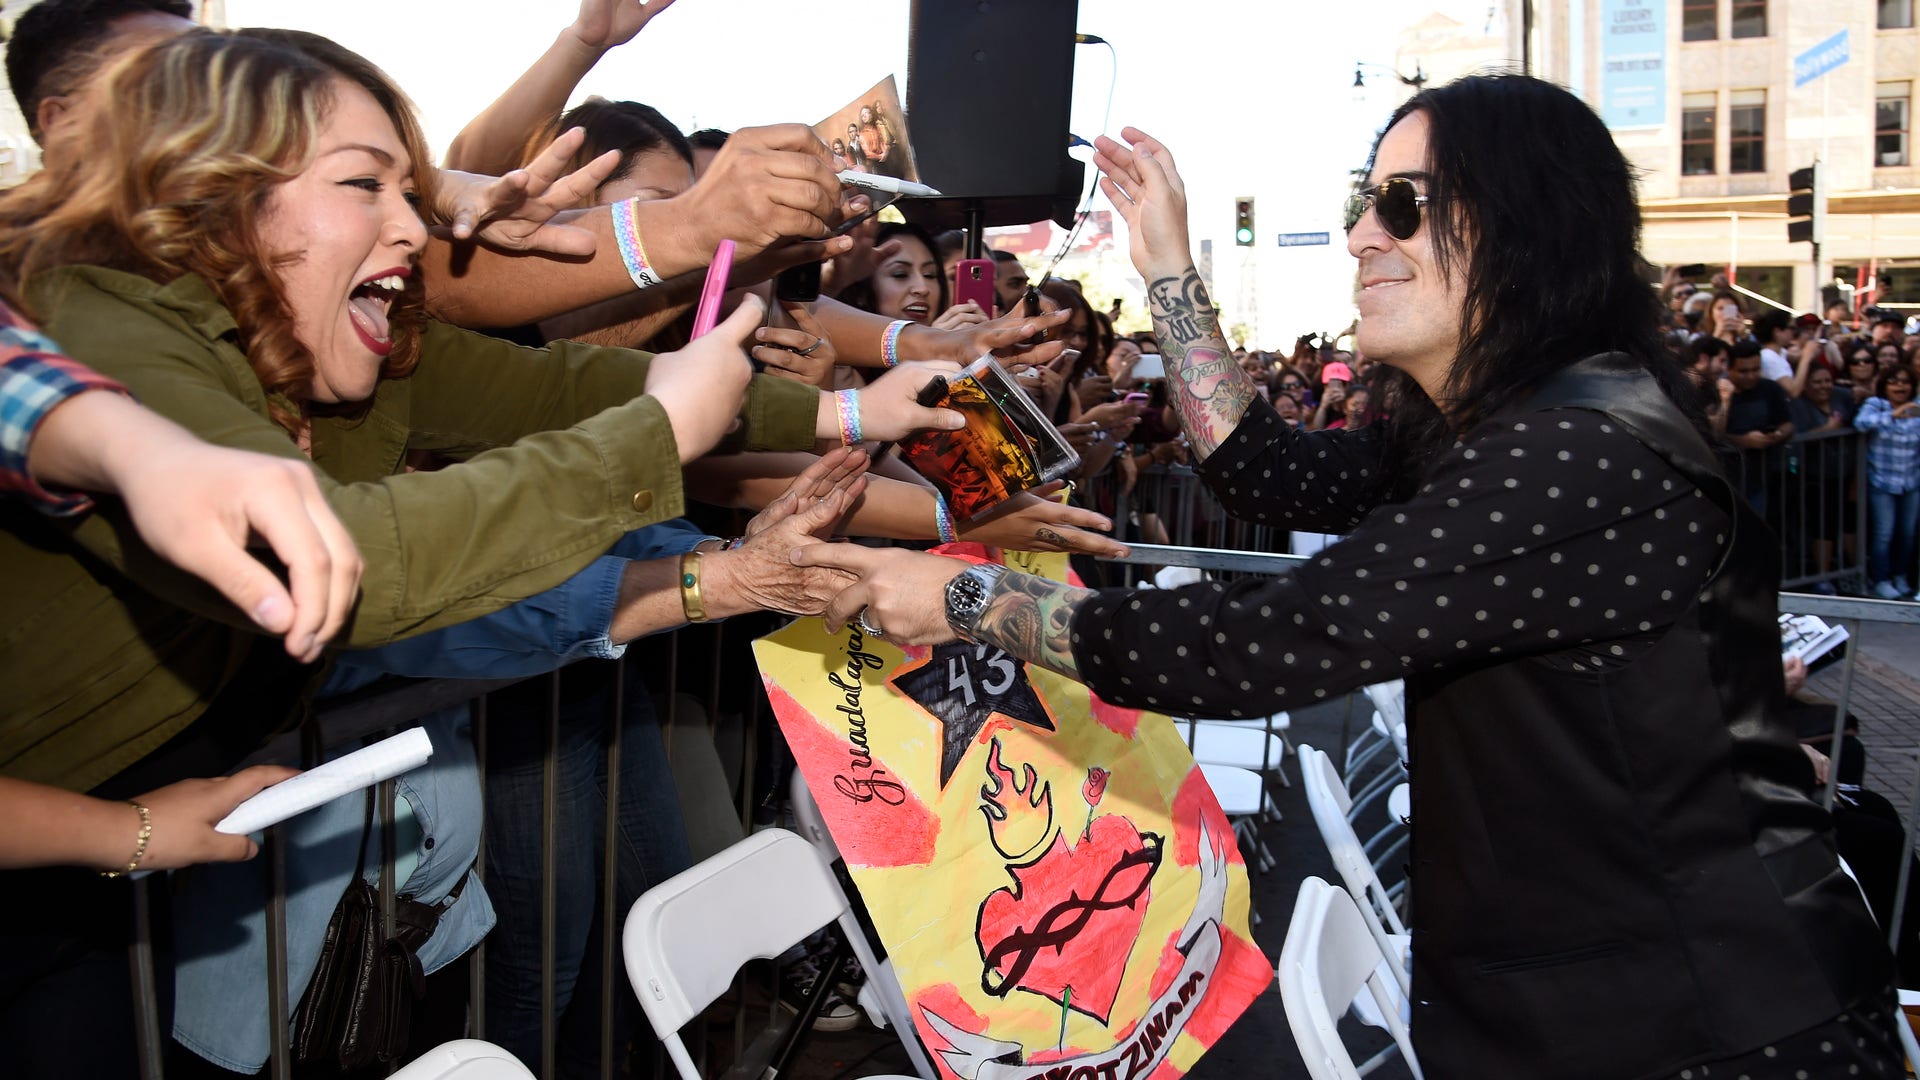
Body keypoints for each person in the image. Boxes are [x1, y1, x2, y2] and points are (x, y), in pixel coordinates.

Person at [792, 74, 1897, 1079]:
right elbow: (1262, 467)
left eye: (1403, 206)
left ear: (1524, 226)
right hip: (1600, 997)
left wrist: (966, 599)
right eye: (1367, 201)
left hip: (1698, 1020)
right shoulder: (1497, 424)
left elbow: (1254, 649)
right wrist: (1172, 268)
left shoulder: (1574, 449)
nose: (1365, 232)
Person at [1854, 365, 1920, 600]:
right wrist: (1894, 414)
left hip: (1911, 481)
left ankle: (1900, 577)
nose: (1900, 386)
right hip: (1882, 482)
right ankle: (1881, 579)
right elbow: (1860, 423)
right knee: (1884, 533)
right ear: (1885, 385)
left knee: (1907, 533)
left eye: (1905, 382)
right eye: (1894, 381)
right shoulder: (1875, 404)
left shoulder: (1918, 406)